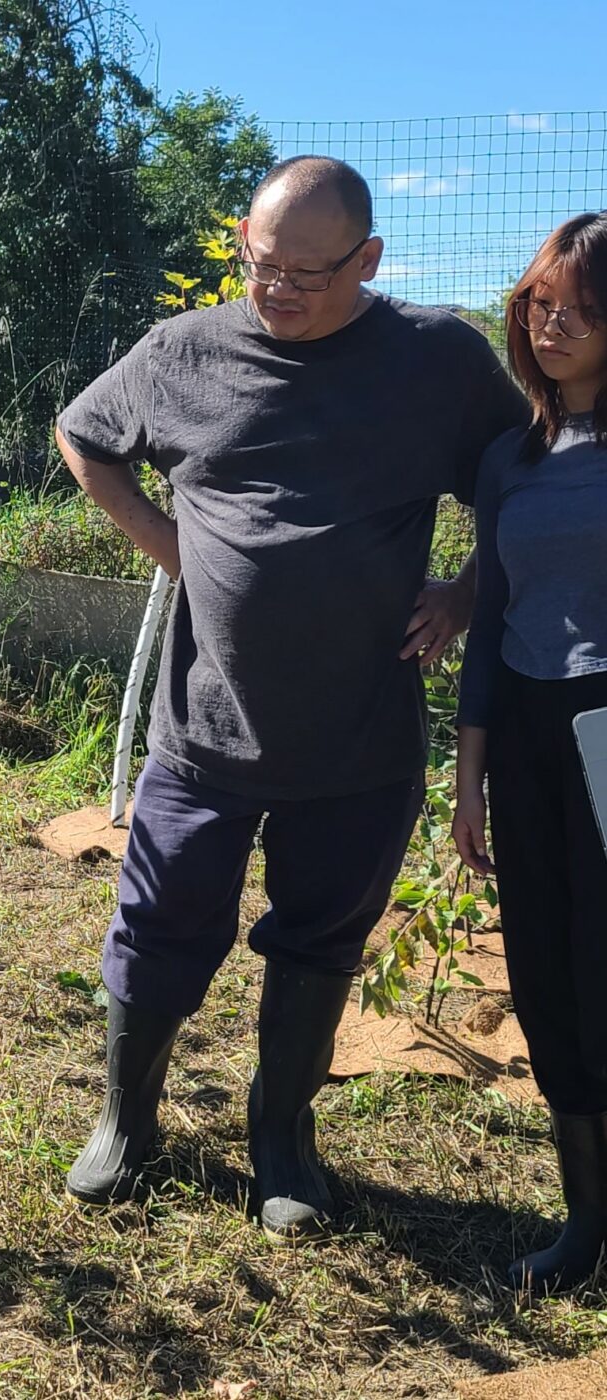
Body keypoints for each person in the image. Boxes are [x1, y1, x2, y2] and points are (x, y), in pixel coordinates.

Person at [54, 155, 526, 1240]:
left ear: (367, 260)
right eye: (261, 265)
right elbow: (84, 435)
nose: (277, 292)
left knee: (319, 936)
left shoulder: (433, 360)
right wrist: (164, 543)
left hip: (358, 738)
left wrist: (463, 589)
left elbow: (520, 472)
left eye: (307, 276)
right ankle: (126, 1120)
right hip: (202, 727)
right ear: (241, 241)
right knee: (158, 923)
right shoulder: (181, 351)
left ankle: (282, 1137)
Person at [452, 214, 607, 1292]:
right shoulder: (507, 459)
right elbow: (489, 610)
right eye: (539, 301)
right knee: (544, 968)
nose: (551, 323)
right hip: (523, 730)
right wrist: (465, 774)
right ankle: (582, 1226)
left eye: (582, 309)